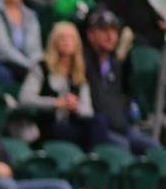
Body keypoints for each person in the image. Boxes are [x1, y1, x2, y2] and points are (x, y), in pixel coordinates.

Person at [19, 20, 112, 148]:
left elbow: (88, 111)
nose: (66, 41)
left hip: (72, 124)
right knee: (92, 136)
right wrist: (56, 103)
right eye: (62, 38)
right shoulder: (42, 68)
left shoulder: (79, 72)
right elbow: (25, 99)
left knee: (99, 121)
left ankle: (97, 160)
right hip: (47, 126)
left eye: (70, 38)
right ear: (54, 42)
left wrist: (75, 107)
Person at [82, 7, 156, 154]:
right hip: (96, 129)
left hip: (121, 127)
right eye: (104, 31)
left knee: (154, 147)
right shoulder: (82, 61)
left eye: (114, 31)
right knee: (123, 149)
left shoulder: (115, 63)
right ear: (90, 34)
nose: (110, 36)